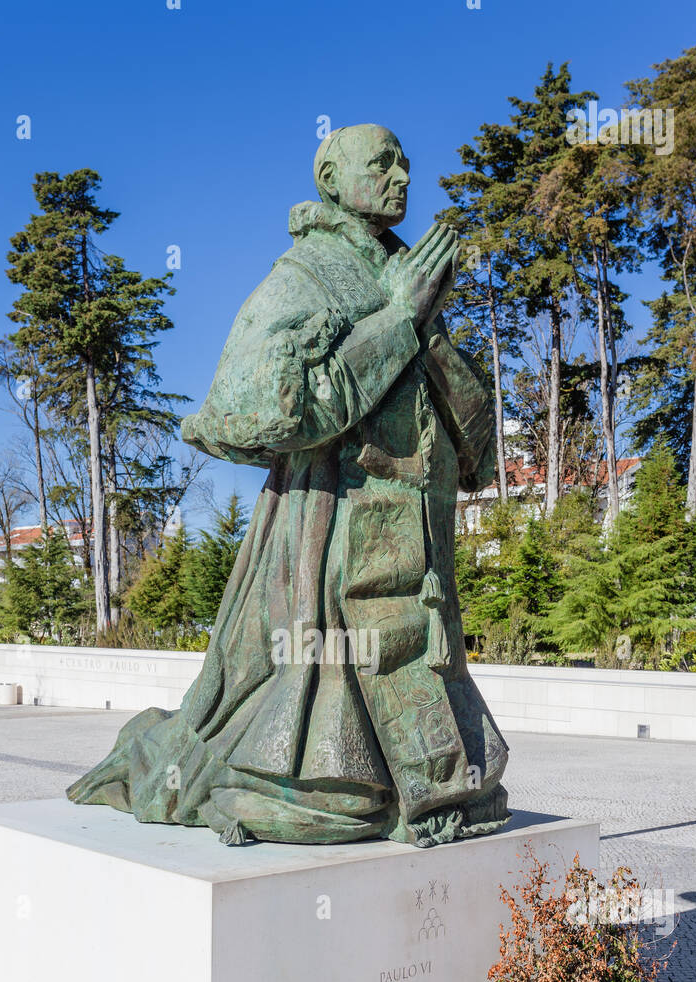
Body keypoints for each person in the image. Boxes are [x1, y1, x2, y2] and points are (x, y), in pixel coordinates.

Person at [68, 124, 509, 847]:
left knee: (450, 785)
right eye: (382, 163)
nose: (402, 175)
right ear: (331, 181)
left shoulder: (408, 274)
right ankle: (287, 783)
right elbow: (267, 410)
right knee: (340, 800)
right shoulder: (304, 277)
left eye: (406, 162)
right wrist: (400, 319)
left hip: (416, 548)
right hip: (329, 536)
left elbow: (474, 450)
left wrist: (421, 326)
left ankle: (424, 789)